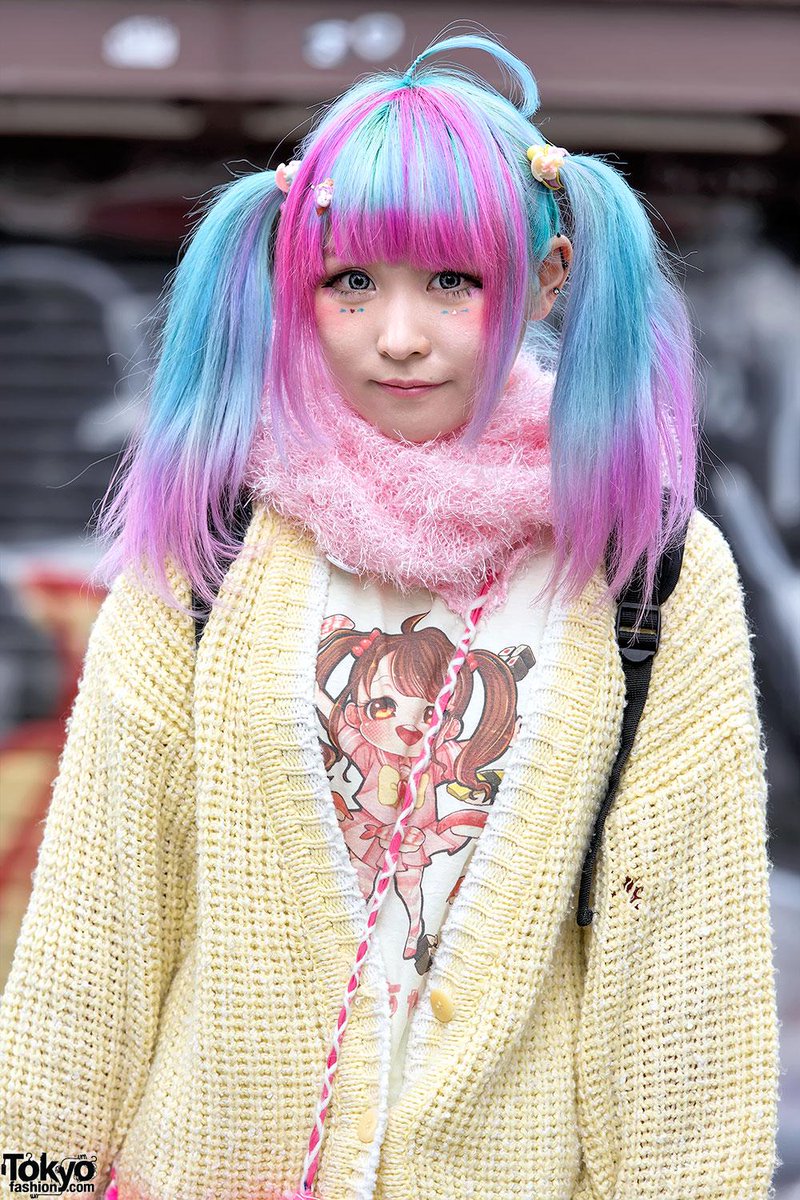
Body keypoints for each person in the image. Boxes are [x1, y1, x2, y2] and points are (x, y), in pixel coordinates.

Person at [0, 31, 780, 1200]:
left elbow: (684, 967)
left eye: (451, 282)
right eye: (350, 281)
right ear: (293, 286)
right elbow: (96, 929)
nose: (398, 334)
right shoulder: (214, 541)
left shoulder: (643, 565)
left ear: (548, 279)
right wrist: (35, 1177)